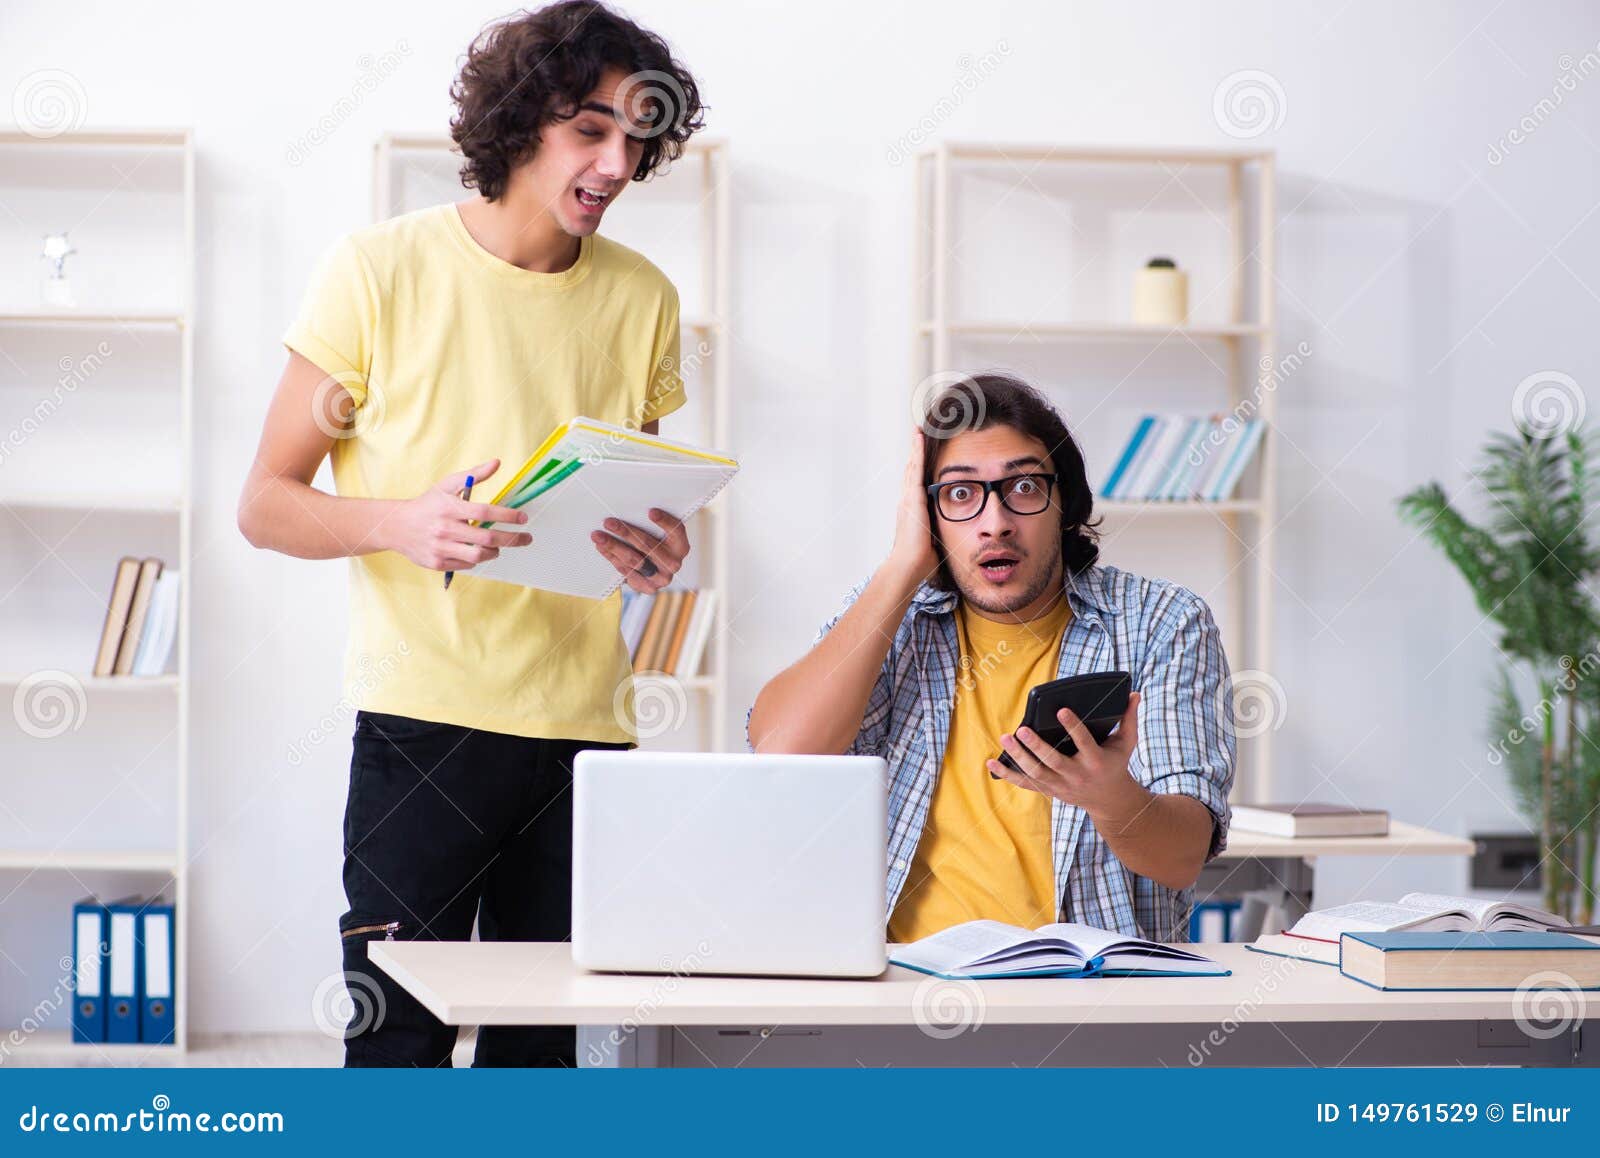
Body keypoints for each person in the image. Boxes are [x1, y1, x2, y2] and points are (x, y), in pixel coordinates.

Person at [237, 1, 704, 1066]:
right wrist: (404, 522)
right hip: (425, 727)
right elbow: (265, 500)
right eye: (590, 128)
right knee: (397, 1045)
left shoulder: (644, 300)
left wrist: (656, 554)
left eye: (638, 136)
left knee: (535, 1057)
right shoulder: (376, 272)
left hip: (585, 733)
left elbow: (619, 504)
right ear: (520, 118)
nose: (616, 162)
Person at [749, 373, 1235, 943]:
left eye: (1024, 487)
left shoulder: (1163, 621)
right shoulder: (893, 618)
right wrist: (902, 566)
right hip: (902, 987)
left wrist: (1109, 797)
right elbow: (782, 753)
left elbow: (1181, 859)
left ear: (1064, 503)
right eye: (960, 493)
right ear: (927, 515)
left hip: (1088, 995)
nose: (994, 521)